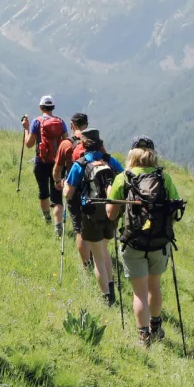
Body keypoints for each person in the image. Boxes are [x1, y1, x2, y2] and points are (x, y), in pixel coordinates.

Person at [105, 136, 182, 348]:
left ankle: (143, 336)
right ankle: (156, 328)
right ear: (153, 154)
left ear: (132, 154)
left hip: (133, 242)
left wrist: (111, 196)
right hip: (159, 242)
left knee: (139, 292)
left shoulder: (123, 177)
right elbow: (174, 212)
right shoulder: (164, 178)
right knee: (154, 287)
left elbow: (111, 215)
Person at [63, 128, 124, 306]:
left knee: (97, 257)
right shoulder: (110, 161)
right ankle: (111, 287)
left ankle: (107, 297)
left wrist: (64, 185)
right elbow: (124, 179)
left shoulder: (80, 164)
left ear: (83, 144)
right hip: (111, 213)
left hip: (91, 215)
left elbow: (68, 193)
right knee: (104, 250)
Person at [21, 96, 67, 234]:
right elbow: (66, 143)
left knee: (43, 191)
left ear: (41, 107)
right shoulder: (61, 122)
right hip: (58, 164)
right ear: (53, 107)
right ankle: (58, 227)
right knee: (57, 195)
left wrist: (26, 128)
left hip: (41, 162)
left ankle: (47, 219)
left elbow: (29, 144)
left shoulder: (36, 122)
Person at [54, 113, 92, 269]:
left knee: (80, 229)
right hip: (94, 190)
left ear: (72, 125)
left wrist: (58, 182)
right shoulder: (95, 142)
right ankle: (97, 257)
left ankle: (87, 266)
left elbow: (57, 169)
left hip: (74, 189)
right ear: (86, 125)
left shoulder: (66, 144)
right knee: (92, 224)